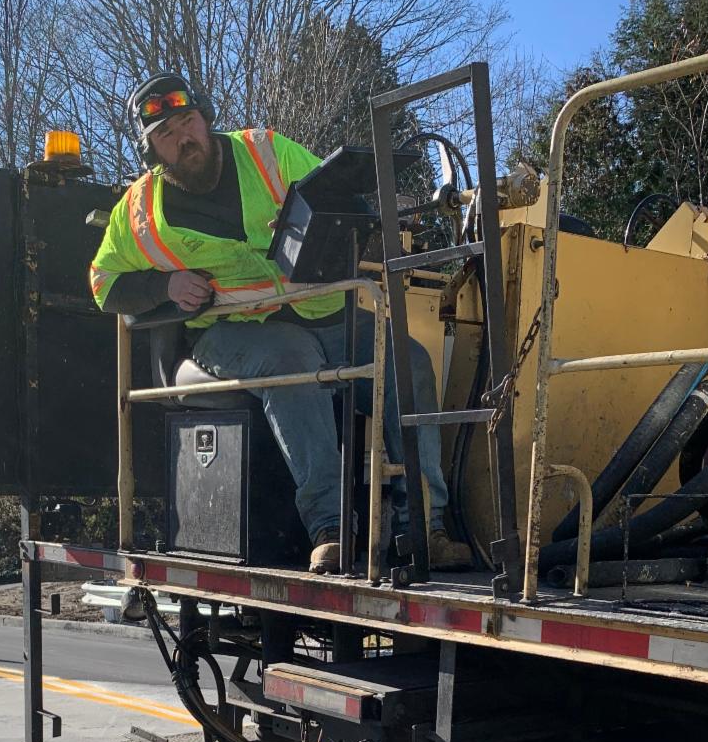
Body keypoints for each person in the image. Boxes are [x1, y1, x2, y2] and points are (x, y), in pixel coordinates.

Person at [89, 72, 470, 573]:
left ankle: (424, 527)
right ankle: (331, 528)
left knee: (409, 361)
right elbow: (103, 282)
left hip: (323, 314)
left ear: (206, 119)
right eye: (166, 135)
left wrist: (316, 230)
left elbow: (348, 208)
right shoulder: (140, 210)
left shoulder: (267, 151)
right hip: (230, 334)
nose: (183, 139)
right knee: (293, 360)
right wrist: (166, 286)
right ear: (152, 155)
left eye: (188, 122)